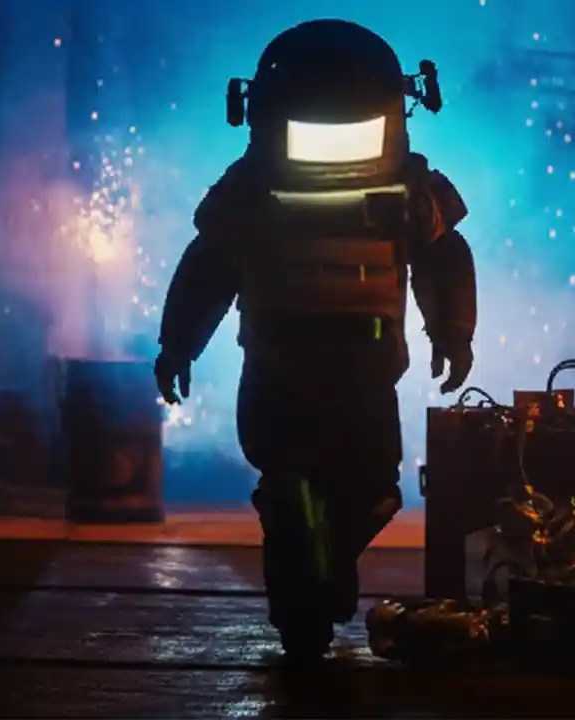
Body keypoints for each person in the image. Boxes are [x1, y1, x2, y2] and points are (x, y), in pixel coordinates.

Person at [152, 19, 477, 662]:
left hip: (280, 366)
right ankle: (319, 560)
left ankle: (310, 556)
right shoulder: (410, 186)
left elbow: (207, 268)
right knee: (370, 490)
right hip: (361, 365)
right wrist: (452, 335)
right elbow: (446, 259)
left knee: (295, 481)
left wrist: (178, 346)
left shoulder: (249, 189)